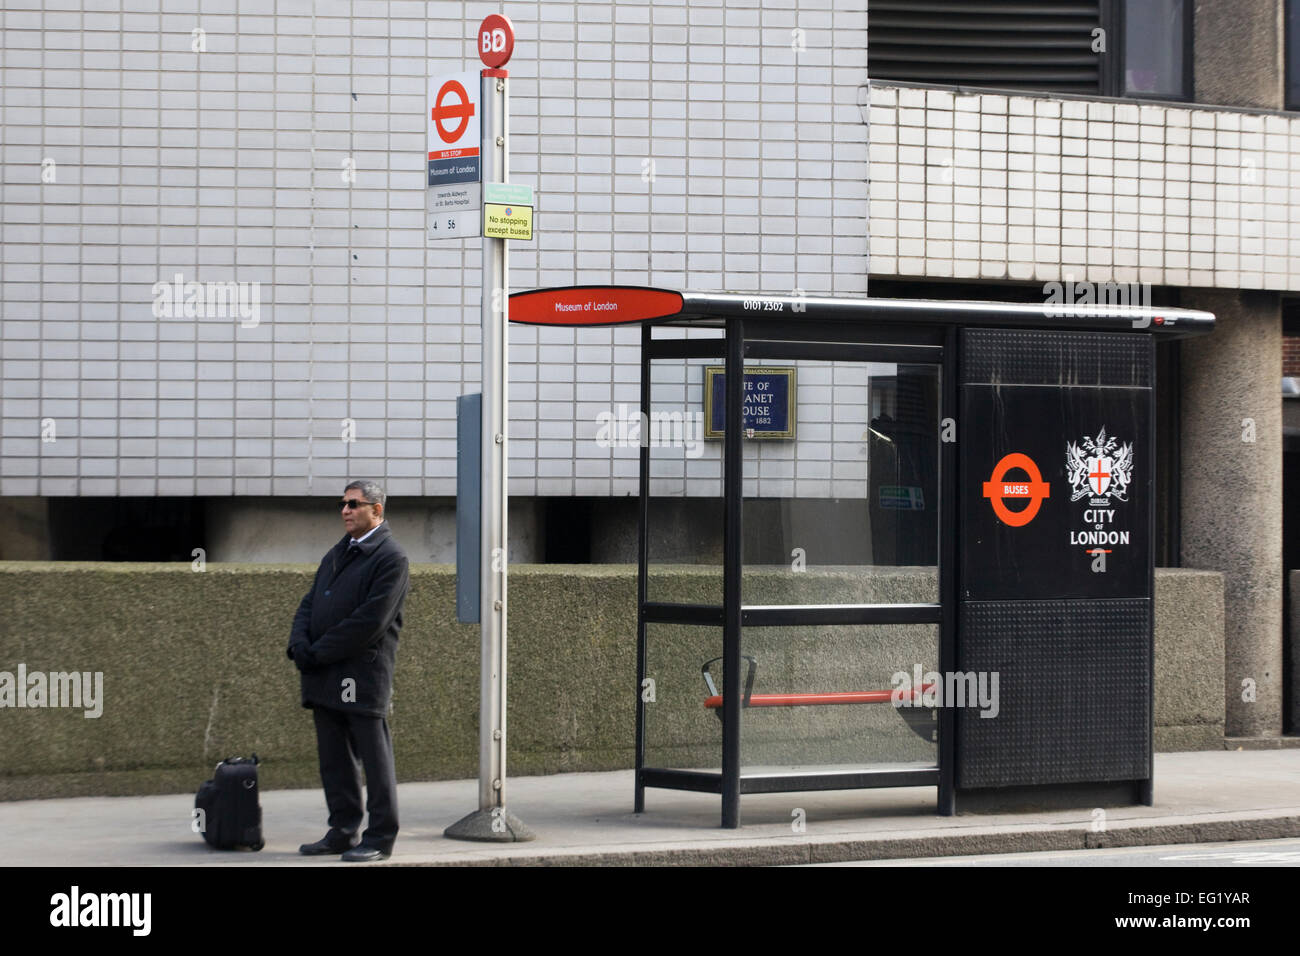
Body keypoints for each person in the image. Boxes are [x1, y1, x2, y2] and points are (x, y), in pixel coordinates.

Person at [287, 479, 410, 862]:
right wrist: (299, 644)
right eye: (343, 504)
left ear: (377, 511)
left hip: (361, 675)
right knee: (334, 759)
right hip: (324, 674)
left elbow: (369, 622)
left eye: (354, 504)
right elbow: (309, 603)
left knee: (374, 759)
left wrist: (318, 652)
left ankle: (379, 837)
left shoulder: (391, 557)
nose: (345, 510)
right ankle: (342, 830)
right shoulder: (338, 553)